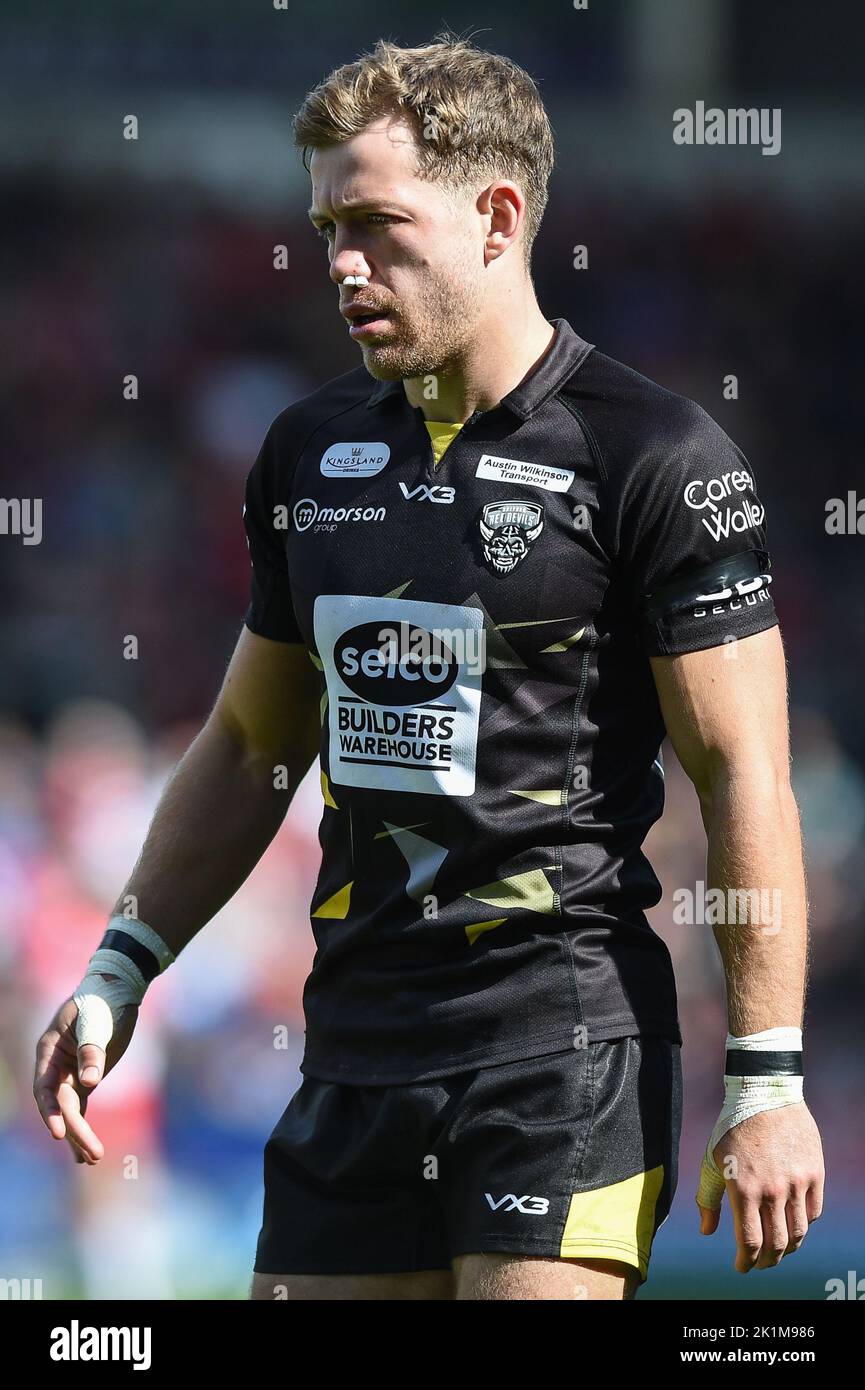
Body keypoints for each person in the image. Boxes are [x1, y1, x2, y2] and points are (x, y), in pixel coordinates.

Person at [33, 34, 824, 1302]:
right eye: (325, 227)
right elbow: (250, 745)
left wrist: (769, 1077)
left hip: (562, 1051)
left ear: (497, 215)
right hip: (351, 1053)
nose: (341, 264)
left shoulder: (658, 455)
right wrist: (123, 964)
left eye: (376, 224)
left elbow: (744, 771)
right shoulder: (306, 454)